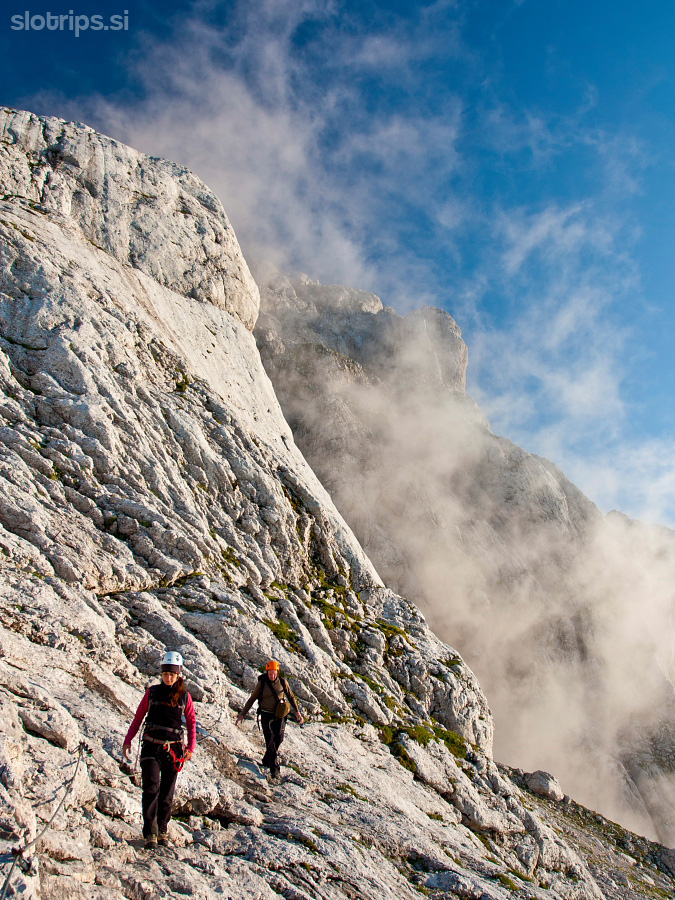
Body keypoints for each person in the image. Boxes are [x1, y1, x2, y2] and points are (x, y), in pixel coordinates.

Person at [123, 650, 196, 849]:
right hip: (151, 747)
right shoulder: (152, 692)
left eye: (171, 674)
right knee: (151, 789)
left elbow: (191, 721)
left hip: (174, 750)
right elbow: (139, 717)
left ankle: (162, 830)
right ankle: (150, 833)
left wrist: (191, 747)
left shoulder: (184, 696)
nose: (168, 678)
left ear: (178, 674)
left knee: (166, 793)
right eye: (165, 674)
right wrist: (128, 740)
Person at [236, 659, 303, 779]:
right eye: (270, 673)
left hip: (280, 714)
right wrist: (242, 714)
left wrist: (297, 712)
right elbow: (252, 699)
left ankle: (267, 759)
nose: (272, 676)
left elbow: (291, 696)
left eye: (274, 673)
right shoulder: (262, 683)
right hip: (266, 715)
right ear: (267, 672)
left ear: (277, 672)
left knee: (279, 738)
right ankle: (274, 768)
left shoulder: (283, 682)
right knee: (270, 740)